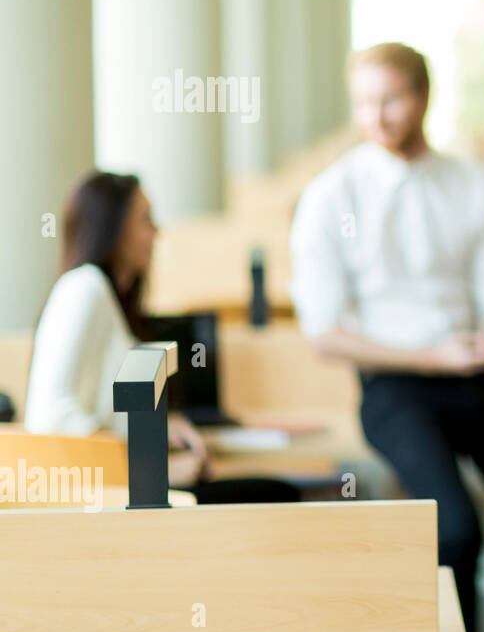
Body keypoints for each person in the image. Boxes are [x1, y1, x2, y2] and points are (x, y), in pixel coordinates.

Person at [289, 41, 484, 632]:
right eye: (364, 104)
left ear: (424, 98)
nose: (376, 118)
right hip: (394, 385)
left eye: (391, 100)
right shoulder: (332, 198)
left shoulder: (473, 185)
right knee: (456, 534)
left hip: (474, 376)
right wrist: (429, 358)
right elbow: (324, 334)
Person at [25, 171, 300, 504]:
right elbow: (52, 417)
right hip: (111, 492)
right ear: (112, 228)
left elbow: (104, 409)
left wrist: (163, 427)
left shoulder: (109, 299)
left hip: (123, 486)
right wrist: (152, 468)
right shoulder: (85, 288)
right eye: (145, 220)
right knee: (277, 494)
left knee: (272, 491)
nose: (157, 232)